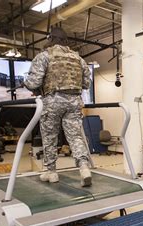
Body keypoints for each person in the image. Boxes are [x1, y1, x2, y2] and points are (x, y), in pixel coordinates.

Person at [24, 26, 93, 187]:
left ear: (51, 40)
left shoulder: (44, 56)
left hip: (53, 100)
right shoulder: (79, 59)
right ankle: (84, 168)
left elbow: (34, 82)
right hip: (75, 101)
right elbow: (86, 84)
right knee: (75, 136)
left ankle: (51, 172)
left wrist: (26, 83)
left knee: (49, 136)